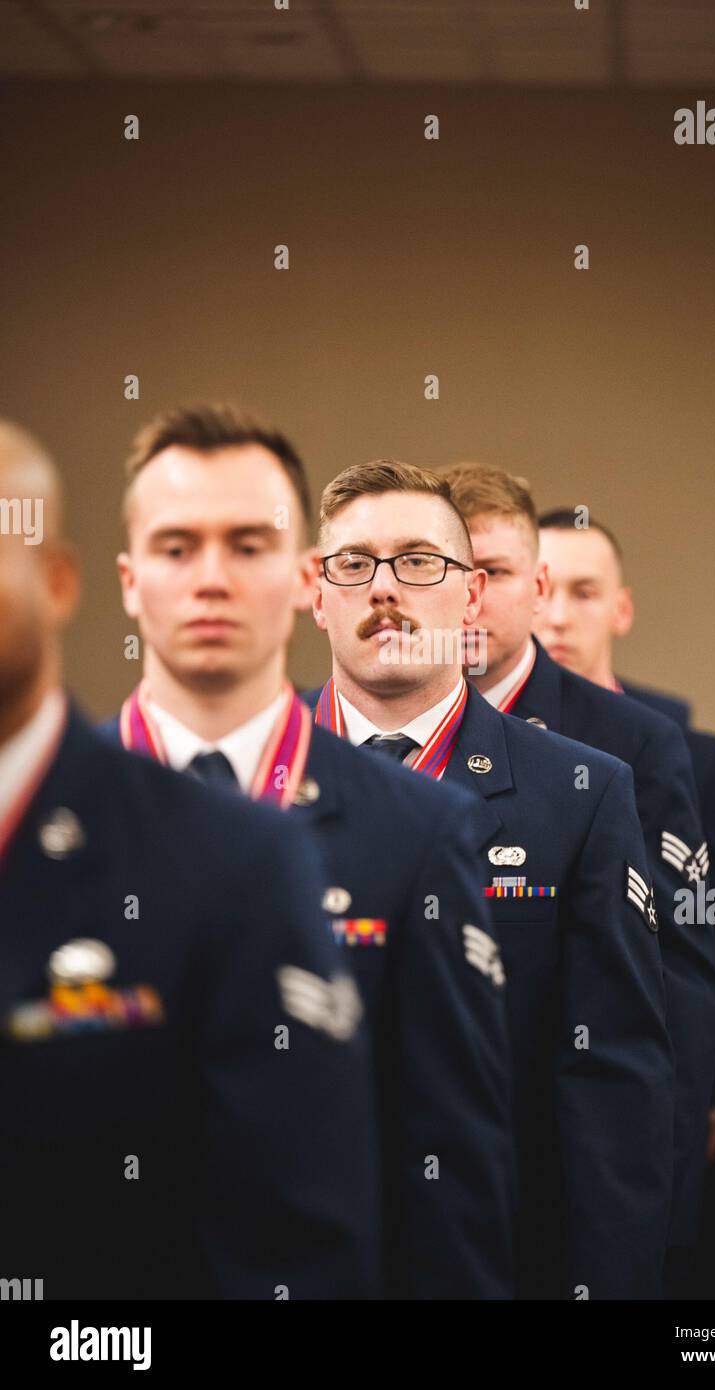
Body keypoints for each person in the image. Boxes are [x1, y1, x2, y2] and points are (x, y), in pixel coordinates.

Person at [103, 404, 514, 1299]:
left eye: (247, 545)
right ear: (131, 581)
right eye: (178, 548)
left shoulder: (419, 830)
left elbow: (450, 1169)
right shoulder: (40, 814)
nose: (211, 578)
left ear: (300, 580)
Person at [0, 418, 378, 1300]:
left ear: (59, 581)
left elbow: (296, 1234)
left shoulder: (232, 857)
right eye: (179, 546)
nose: (211, 578)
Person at [308, 457, 674, 1301]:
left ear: (471, 596)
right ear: (316, 592)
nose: (386, 590)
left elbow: (615, 1082)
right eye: (355, 564)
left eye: (420, 563)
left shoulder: (583, 793)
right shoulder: (243, 787)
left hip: (508, 1261)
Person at [439, 463, 715, 1264]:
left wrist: (645, 1202)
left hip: (563, 1172)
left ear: (535, 586)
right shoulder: (370, 737)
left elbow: (679, 988)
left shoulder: (632, 742)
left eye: (490, 573)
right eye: (449, 571)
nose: (468, 597)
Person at [535, 509, 715, 1255]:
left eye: (584, 592)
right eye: (544, 588)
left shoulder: (693, 761)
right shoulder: (474, 751)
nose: (558, 614)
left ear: (622, 608)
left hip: (663, 1136)